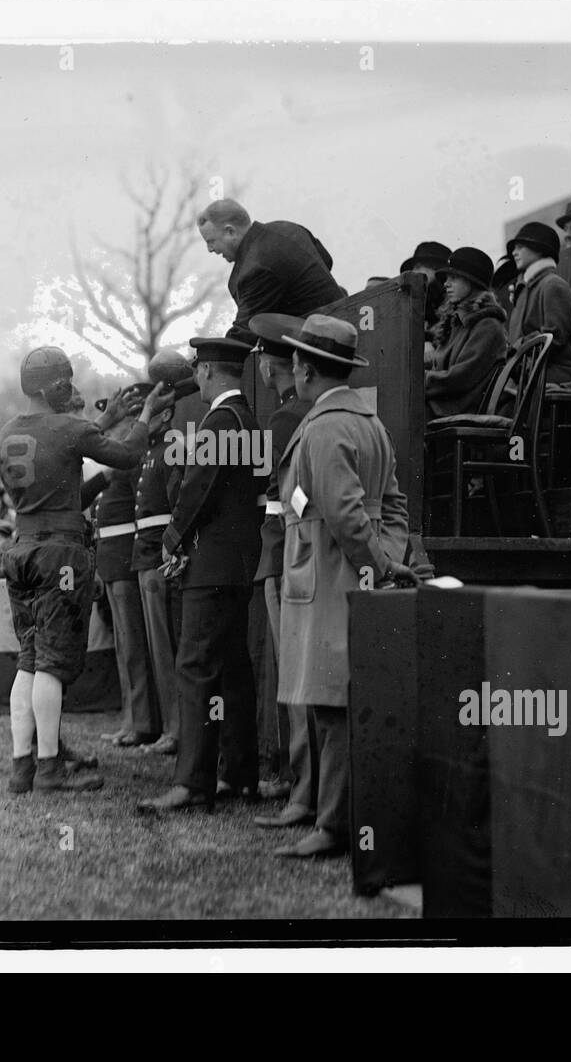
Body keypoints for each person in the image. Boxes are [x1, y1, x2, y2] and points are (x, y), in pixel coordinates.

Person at [272, 316, 416, 858]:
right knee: (337, 703)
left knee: (333, 706)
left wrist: (376, 560)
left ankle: (333, 827)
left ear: (305, 368)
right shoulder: (367, 422)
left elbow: (341, 510)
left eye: (294, 360)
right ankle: (335, 820)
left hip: (330, 578)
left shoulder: (327, 425)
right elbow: (393, 506)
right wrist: (389, 558)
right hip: (346, 572)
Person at [0, 346, 171, 795]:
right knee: (53, 666)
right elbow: (129, 453)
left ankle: (22, 768)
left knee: (30, 662)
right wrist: (145, 414)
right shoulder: (69, 428)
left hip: (21, 549)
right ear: (57, 386)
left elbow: (60, 445)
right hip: (59, 553)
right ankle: (51, 768)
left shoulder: (11, 430)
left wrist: (105, 418)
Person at [137, 336, 263, 815]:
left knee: (194, 670)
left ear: (208, 372)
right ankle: (240, 775)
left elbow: (197, 488)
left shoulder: (219, 422)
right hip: (237, 567)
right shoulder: (248, 422)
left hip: (207, 566)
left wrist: (171, 540)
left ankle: (192, 783)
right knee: (233, 669)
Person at [247, 315, 315, 826]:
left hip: (280, 552)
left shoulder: (284, 420)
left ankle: (297, 782)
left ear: (275, 366)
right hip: (302, 549)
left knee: (291, 677)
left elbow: (279, 492)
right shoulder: (313, 411)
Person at [196, 199, 346, 344]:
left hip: (320, 345)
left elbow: (246, 331)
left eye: (211, 241)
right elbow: (326, 261)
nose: (210, 250)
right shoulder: (289, 228)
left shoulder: (254, 268)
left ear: (230, 232)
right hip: (346, 328)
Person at [131, 359, 184, 758]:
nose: (140, 421)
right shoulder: (151, 451)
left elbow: (179, 505)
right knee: (158, 649)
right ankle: (169, 725)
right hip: (145, 553)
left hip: (159, 554)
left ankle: (176, 728)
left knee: (167, 649)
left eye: (146, 414)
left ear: (164, 414)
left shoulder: (171, 450)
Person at [94, 433, 160, 749]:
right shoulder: (112, 462)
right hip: (110, 557)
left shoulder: (131, 461)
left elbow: (142, 506)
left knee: (134, 646)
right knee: (124, 647)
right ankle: (131, 719)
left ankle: (144, 721)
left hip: (123, 557)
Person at [424, 247, 509, 418]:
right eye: (446, 278)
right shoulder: (456, 321)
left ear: (472, 282)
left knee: (400, 408)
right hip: (446, 403)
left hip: (462, 408)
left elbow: (460, 378)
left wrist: (419, 381)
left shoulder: (488, 325)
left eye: (454, 278)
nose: (446, 283)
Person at [505, 222, 571, 384]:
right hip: (532, 371)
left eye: (520, 247)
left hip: (556, 373)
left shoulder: (553, 285)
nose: (514, 253)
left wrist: (517, 347)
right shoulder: (528, 289)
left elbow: (553, 338)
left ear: (540, 249)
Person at [401, 241, 452, 328]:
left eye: (418, 267)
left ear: (435, 268)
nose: (413, 272)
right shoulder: (414, 302)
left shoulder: (453, 307)